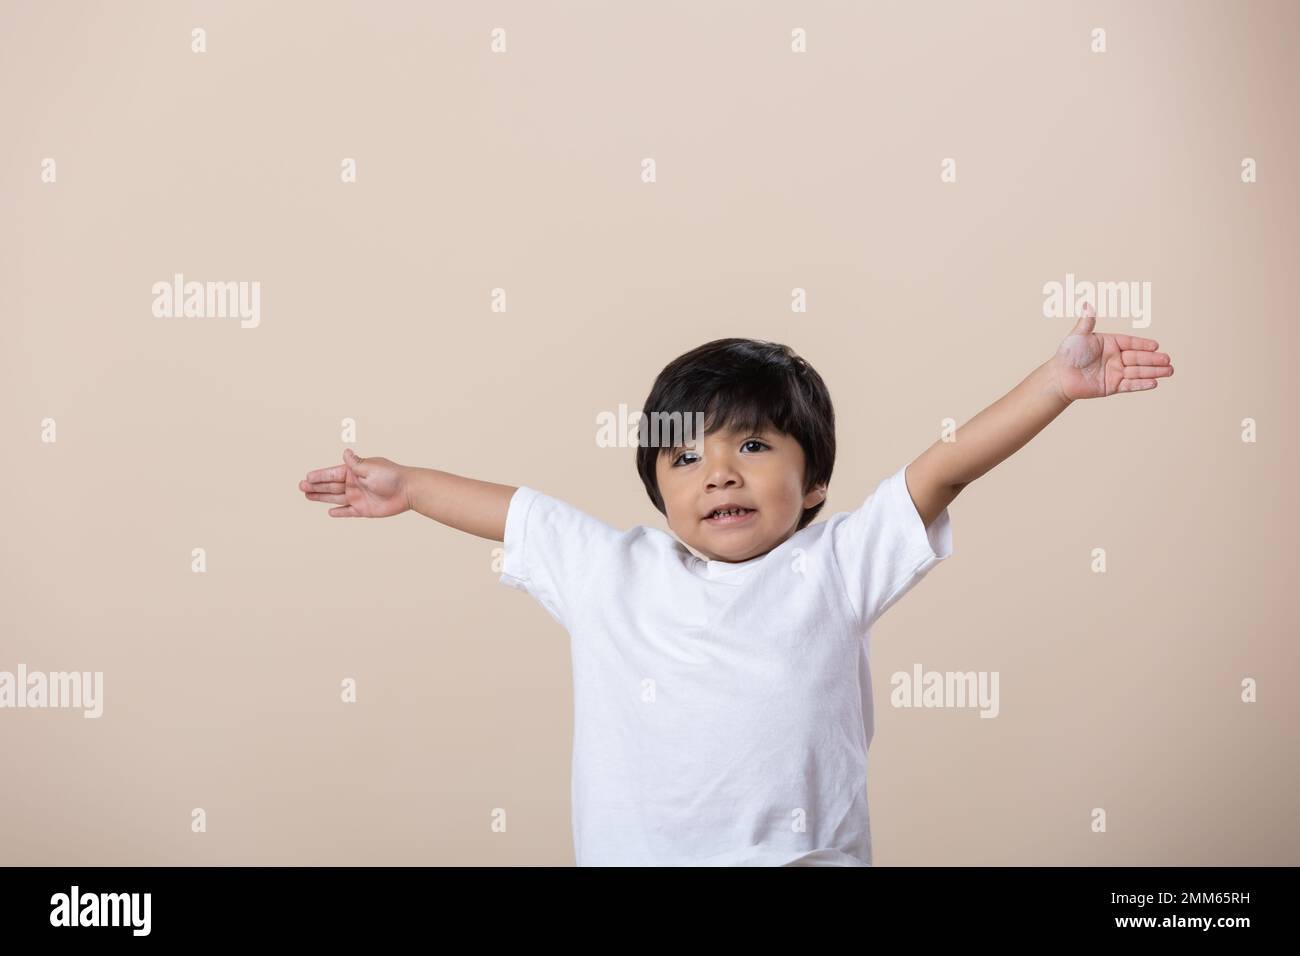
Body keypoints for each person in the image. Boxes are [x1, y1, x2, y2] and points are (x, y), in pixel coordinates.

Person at [297, 302, 1173, 865]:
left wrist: (1054, 385)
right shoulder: (613, 571)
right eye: (687, 457)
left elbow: (943, 470)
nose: (718, 473)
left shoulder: (834, 567)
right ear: (657, 491)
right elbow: (518, 513)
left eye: (752, 447)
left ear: (815, 485)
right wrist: (406, 487)